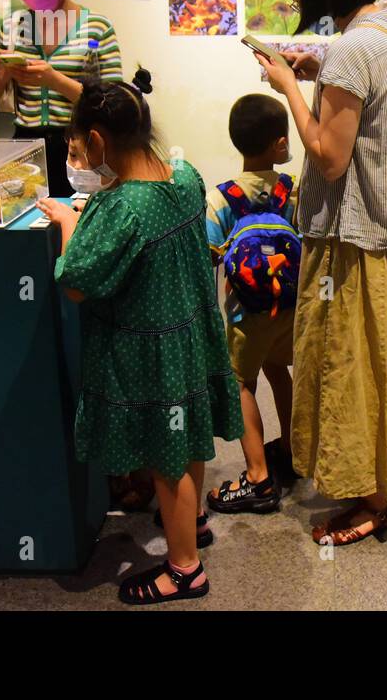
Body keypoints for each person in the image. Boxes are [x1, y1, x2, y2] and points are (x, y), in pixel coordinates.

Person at [251, 0, 387, 547]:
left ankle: (374, 501)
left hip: (353, 237)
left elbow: (329, 157)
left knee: (350, 364)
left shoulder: (352, 49)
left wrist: (290, 89)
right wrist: (319, 70)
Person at [36, 70, 243, 604]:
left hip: (148, 349)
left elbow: (77, 282)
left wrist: (66, 220)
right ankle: (192, 524)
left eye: (78, 150)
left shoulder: (118, 207)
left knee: (166, 459)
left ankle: (183, 569)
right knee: (186, 439)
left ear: (99, 141)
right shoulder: (186, 175)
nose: (78, 160)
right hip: (190, 335)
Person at [203, 94, 299, 514]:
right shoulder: (290, 190)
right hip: (290, 309)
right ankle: (295, 453)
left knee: (242, 383)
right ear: (280, 145)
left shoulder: (221, 198)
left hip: (245, 315)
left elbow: (207, 253)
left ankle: (258, 476)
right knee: (280, 371)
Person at [0, 0, 122, 194]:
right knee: (29, 229)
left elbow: (114, 104)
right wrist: (3, 76)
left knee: (77, 228)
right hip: (24, 150)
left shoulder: (96, 27)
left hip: (80, 149)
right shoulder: (12, 28)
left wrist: (54, 80)